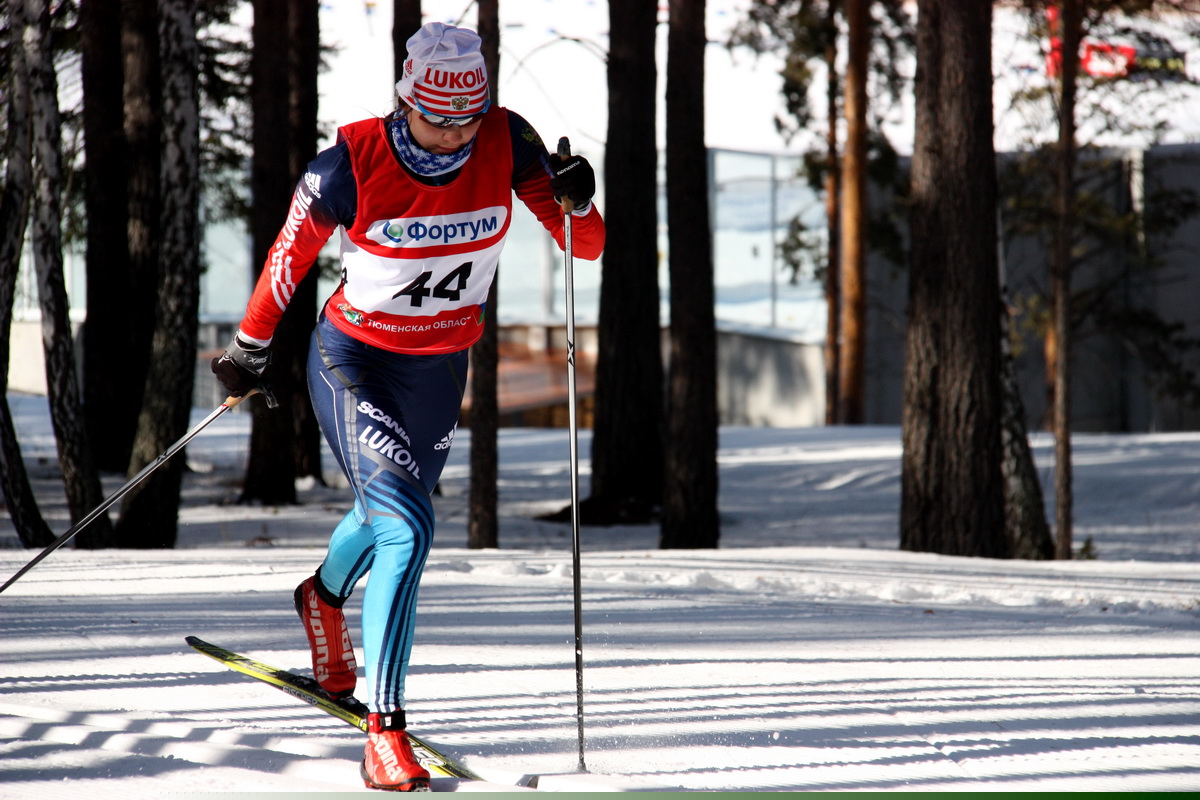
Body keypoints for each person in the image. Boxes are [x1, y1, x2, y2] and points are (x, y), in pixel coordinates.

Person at [212, 22, 604, 792]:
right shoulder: (347, 169)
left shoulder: (505, 142)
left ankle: (321, 599)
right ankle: (383, 731)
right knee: (409, 524)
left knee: (389, 514)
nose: (455, 135)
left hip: (437, 369)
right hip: (352, 359)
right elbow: (287, 258)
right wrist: (249, 349)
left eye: (468, 118)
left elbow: (582, 245)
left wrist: (577, 198)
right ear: (405, 99)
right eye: (438, 119)